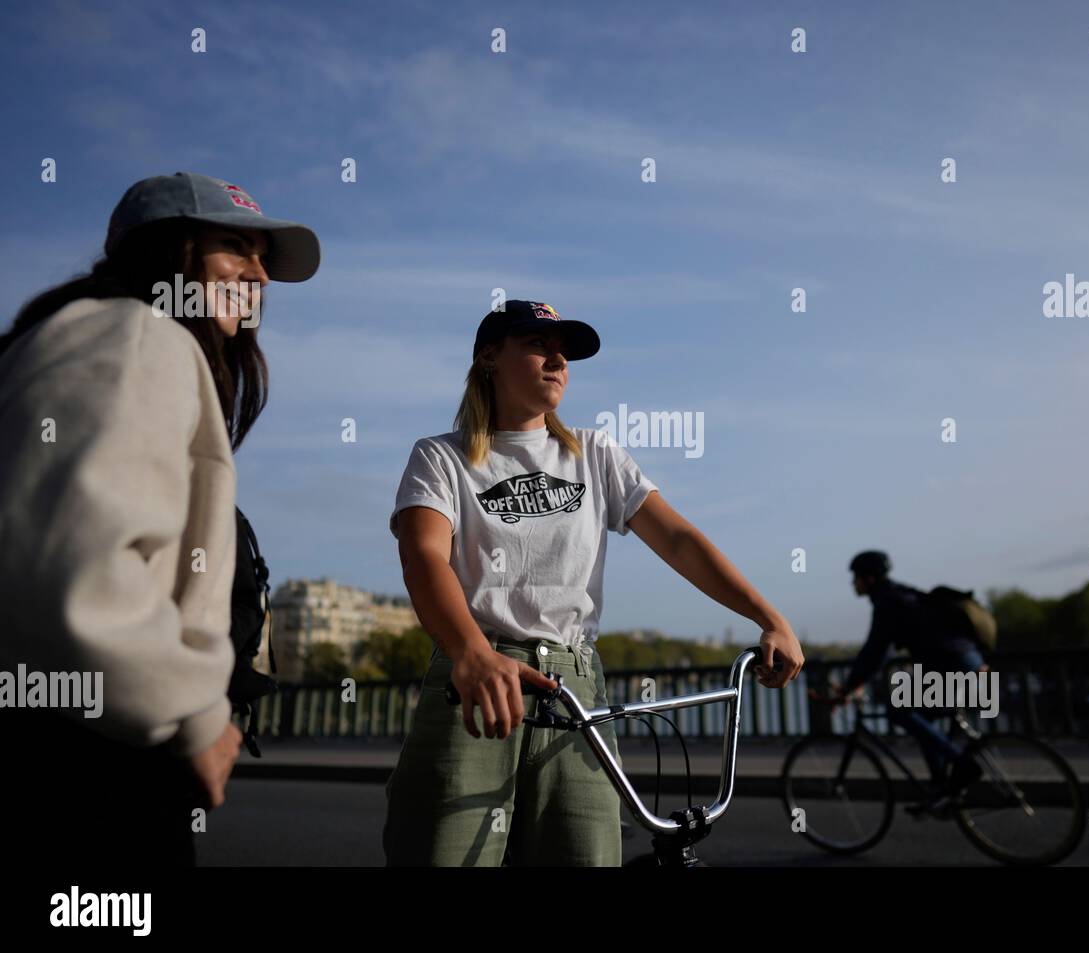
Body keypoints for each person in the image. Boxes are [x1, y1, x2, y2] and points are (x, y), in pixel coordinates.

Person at [383, 299, 805, 866]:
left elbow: (678, 540)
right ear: (489, 357)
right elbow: (424, 554)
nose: (557, 360)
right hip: (479, 680)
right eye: (538, 345)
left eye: (565, 351)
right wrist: (471, 653)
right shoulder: (443, 458)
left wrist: (768, 617)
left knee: (587, 853)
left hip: (574, 684)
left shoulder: (595, 453)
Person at [0, 171, 320, 865]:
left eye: (263, 257)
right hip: (91, 769)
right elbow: (73, 574)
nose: (260, 276)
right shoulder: (137, 336)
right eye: (235, 247)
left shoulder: (77, 336)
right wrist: (198, 715)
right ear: (168, 254)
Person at [824, 550, 984, 812]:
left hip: (950, 664)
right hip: (968, 659)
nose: (853, 583)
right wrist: (859, 681)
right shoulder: (903, 594)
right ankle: (941, 787)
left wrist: (849, 686)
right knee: (922, 715)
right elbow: (882, 654)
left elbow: (874, 651)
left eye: (856, 578)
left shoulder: (887, 601)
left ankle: (963, 766)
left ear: (869, 579)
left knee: (898, 709)